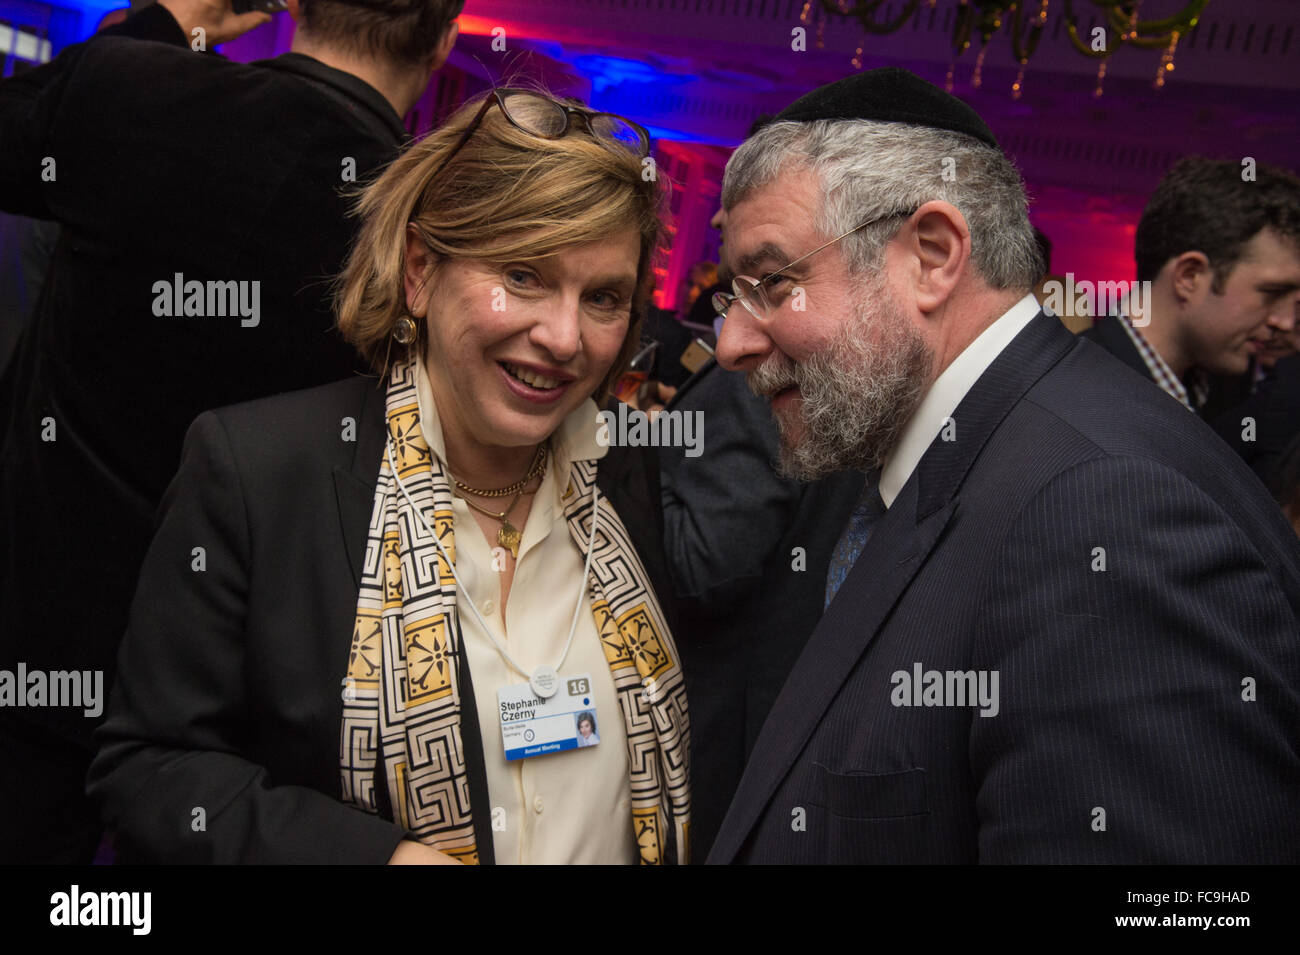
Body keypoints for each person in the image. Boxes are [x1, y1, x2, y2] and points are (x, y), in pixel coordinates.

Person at [707, 68, 1300, 864]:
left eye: (774, 284)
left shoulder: (1107, 510)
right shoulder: (958, 454)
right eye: (732, 297)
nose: (732, 344)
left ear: (931, 255)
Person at [86, 88, 690, 865]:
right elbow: (149, 770)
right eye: (523, 274)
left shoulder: (620, 472)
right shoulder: (262, 471)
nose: (564, 337)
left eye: (603, 296)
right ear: (419, 274)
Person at [0, 0, 461, 862]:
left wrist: (170, 21)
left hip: (37, 633)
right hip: (238, 715)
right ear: (445, 39)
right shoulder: (426, 229)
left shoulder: (133, 88)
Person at [1080, 157, 1300, 416]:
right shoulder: (1076, 392)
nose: (1286, 322)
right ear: (1189, 277)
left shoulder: (1217, 392)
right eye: (1272, 292)